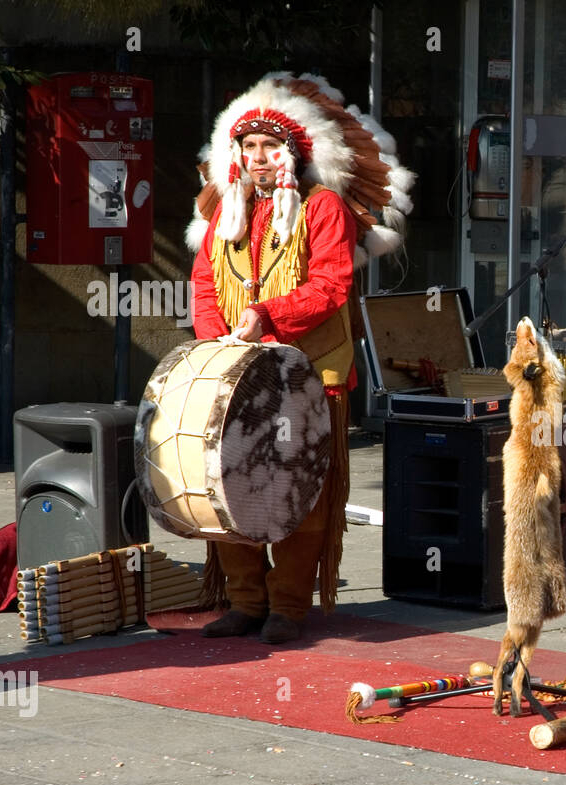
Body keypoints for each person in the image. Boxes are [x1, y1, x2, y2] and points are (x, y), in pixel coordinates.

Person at [188, 74, 413, 642]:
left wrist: (266, 316)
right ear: (235, 154)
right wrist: (219, 343)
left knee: (300, 492)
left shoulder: (323, 207)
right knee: (225, 483)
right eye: (249, 147)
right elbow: (206, 284)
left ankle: (288, 606)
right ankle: (245, 599)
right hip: (236, 374)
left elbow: (331, 286)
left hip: (308, 376)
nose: (259, 157)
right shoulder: (227, 210)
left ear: (292, 153)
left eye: (270, 147)